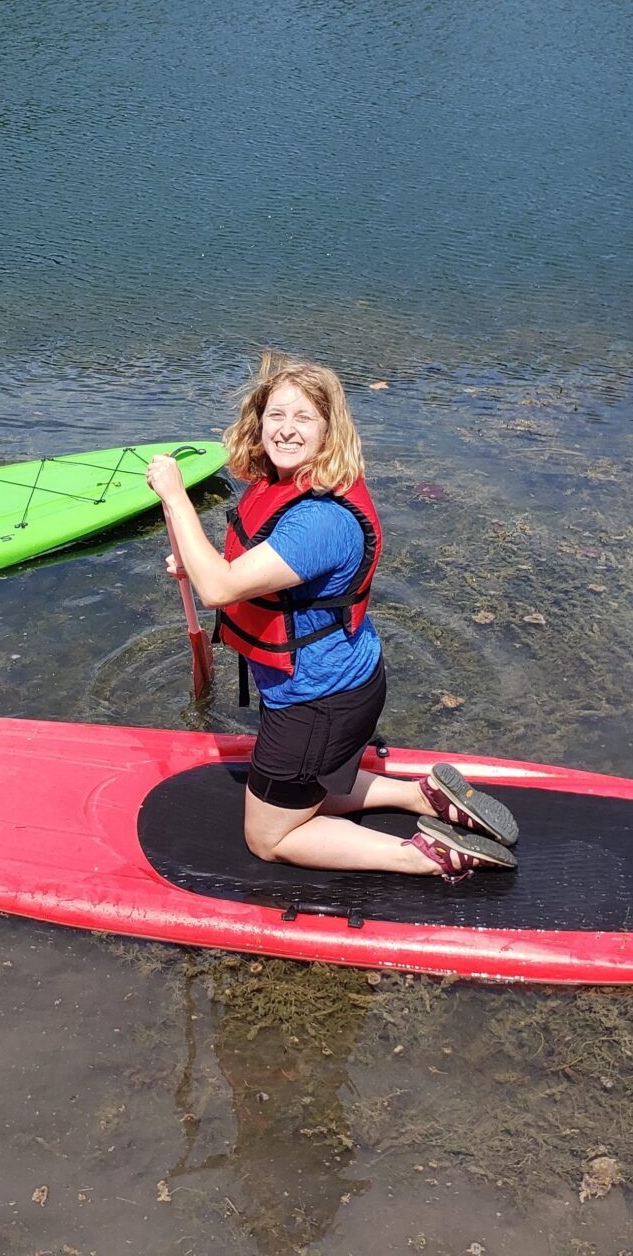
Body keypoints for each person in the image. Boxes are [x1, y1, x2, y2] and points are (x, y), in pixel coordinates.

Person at [147, 352, 519, 884]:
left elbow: (217, 589)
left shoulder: (321, 518)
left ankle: (425, 856)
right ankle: (423, 794)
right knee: (306, 788)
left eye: (304, 418)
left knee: (270, 837)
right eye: (276, 415)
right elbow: (243, 571)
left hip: (318, 704)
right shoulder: (285, 484)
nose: (287, 430)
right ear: (258, 421)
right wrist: (201, 556)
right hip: (340, 687)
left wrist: (175, 495)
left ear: (329, 430)